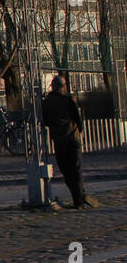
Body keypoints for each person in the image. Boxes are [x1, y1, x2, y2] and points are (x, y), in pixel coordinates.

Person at [41, 75, 96, 209]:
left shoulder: (46, 102)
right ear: (64, 87)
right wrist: (79, 131)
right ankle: (80, 199)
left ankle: (79, 198)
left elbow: (45, 121)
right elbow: (78, 119)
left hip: (59, 140)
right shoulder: (69, 99)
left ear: (52, 86)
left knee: (66, 171)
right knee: (76, 170)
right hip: (73, 138)